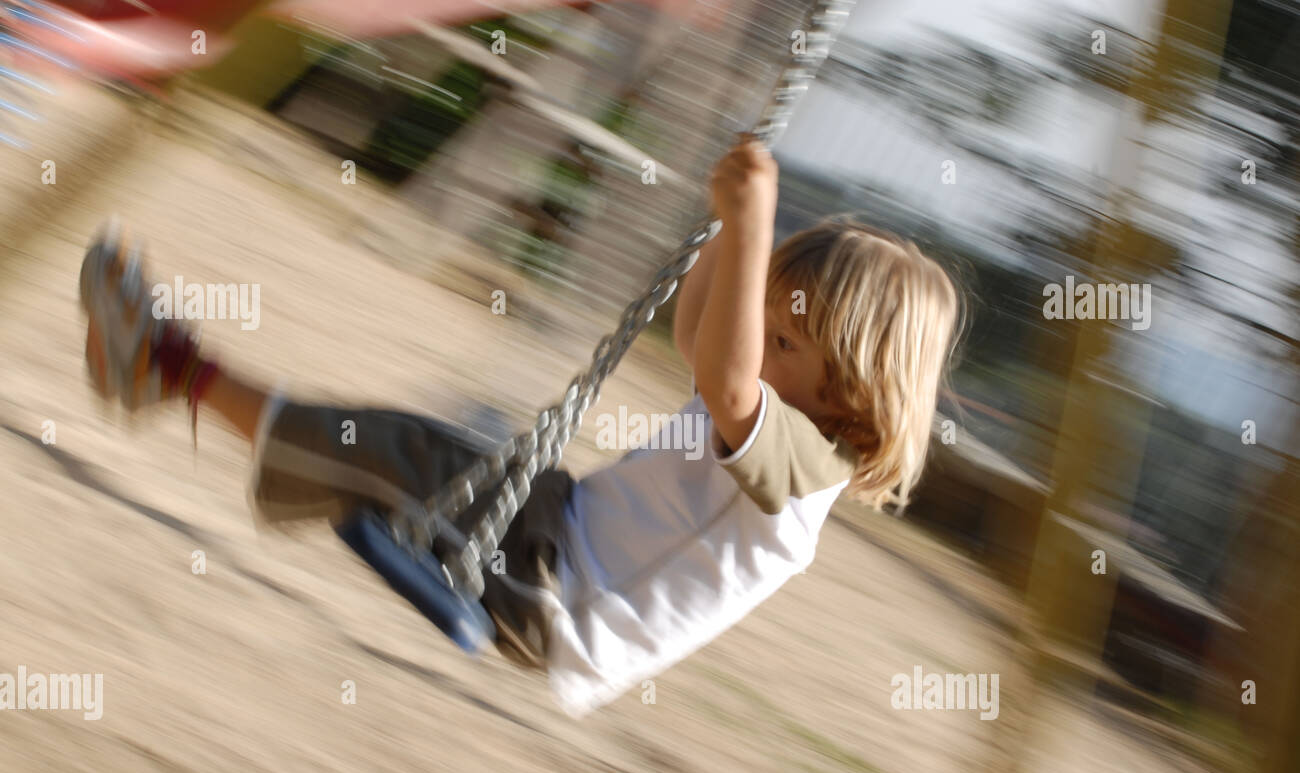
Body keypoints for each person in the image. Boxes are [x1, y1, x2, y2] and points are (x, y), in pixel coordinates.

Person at [80, 134, 962, 717]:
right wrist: (733, 239)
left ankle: (168, 368)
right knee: (401, 442)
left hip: (560, 600)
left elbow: (721, 373)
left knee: (387, 447)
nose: (757, 343)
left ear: (851, 394)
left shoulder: (802, 466)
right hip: (552, 532)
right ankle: (174, 373)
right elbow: (701, 337)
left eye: (783, 336)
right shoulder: (769, 409)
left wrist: (755, 220)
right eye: (764, 322)